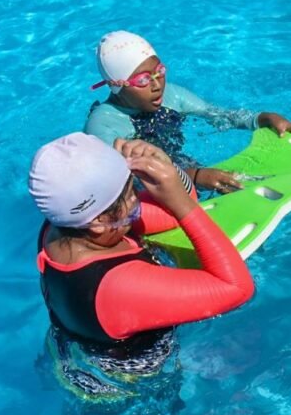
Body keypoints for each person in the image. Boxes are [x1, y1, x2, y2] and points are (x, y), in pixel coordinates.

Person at [30, 133, 255, 348]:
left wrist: (166, 168)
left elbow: (170, 215)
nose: (137, 197)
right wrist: (181, 203)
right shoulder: (118, 287)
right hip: (134, 371)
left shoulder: (64, 226)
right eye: (130, 192)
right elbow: (237, 289)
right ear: (99, 221)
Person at [84, 31, 291, 192]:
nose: (157, 85)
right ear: (116, 85)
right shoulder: (102, 125)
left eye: (159, 71)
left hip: (180, 168)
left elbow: (218, 115)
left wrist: (259, 118)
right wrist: (195, 177)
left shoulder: (172, 95)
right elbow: (128, 183)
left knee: (239, 183)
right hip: (150, 191)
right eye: (143, 80)